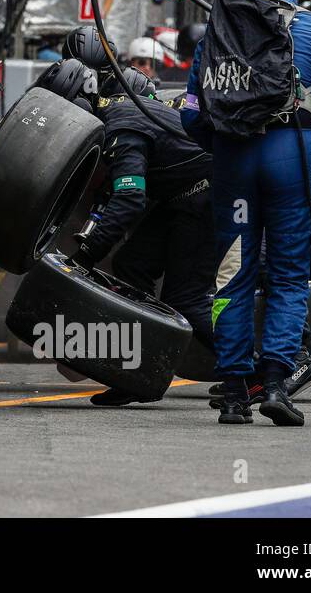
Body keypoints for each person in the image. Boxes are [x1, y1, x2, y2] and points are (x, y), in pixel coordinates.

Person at [182, 0, 311, 426]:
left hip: (234, 161)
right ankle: (278, 383)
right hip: (292, 157)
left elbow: (192, 115)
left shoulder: (218, 33)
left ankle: (236, 391)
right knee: (287, 274)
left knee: (232, 275)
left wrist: (222, 144)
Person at [36, 59, 216, 406]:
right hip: (184, 196)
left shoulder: (120, 126)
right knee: (133, 264)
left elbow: (130, 199)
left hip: (208, 197)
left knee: (186, 300)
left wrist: (85, 259)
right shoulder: (118, 111)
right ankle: (137, 375)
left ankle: (270, 367)